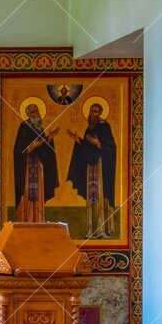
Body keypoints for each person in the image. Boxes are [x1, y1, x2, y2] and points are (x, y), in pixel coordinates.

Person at [66, 102, 118, 237]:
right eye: (91, 111)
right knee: (92, 196)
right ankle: (92, 229)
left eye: (95, 111)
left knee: (101, 196)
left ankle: (103, 229)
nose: (92, 114)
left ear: (100, 113)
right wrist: (78, 140)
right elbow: (86, 149)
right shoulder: (90, 128)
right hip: (91, 168)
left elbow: (112, 147)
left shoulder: (105, 127)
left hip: (101, 167)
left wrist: (99, 144)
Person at [14, 102, 58, 222]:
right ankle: (26, 219)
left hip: (38, 166)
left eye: (37, 111)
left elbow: (44, 147)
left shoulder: (40, 128)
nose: (36, 114)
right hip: (27, 166)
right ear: (28, 114)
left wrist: (49, 139)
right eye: (33, 112)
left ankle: (38, 218)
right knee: (28, 192)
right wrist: (31, 147)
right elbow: (18, 149)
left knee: (39, 193)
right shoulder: (24, 126)